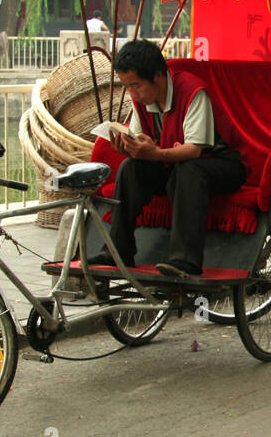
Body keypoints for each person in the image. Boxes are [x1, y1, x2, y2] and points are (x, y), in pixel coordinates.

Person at [93, 39, 246, 278]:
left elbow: (194, 150)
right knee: (131, 168)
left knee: (189, 170)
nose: (133, 93)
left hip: (221, 163)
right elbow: (142, 142)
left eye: (137, 85)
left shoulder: (193, 92)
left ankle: (185, 260)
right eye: (127, 87)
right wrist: (130, 149)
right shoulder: (142, 100)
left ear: (158, 76)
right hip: (171, 163)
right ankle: (117, 251)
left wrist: (154, 153)